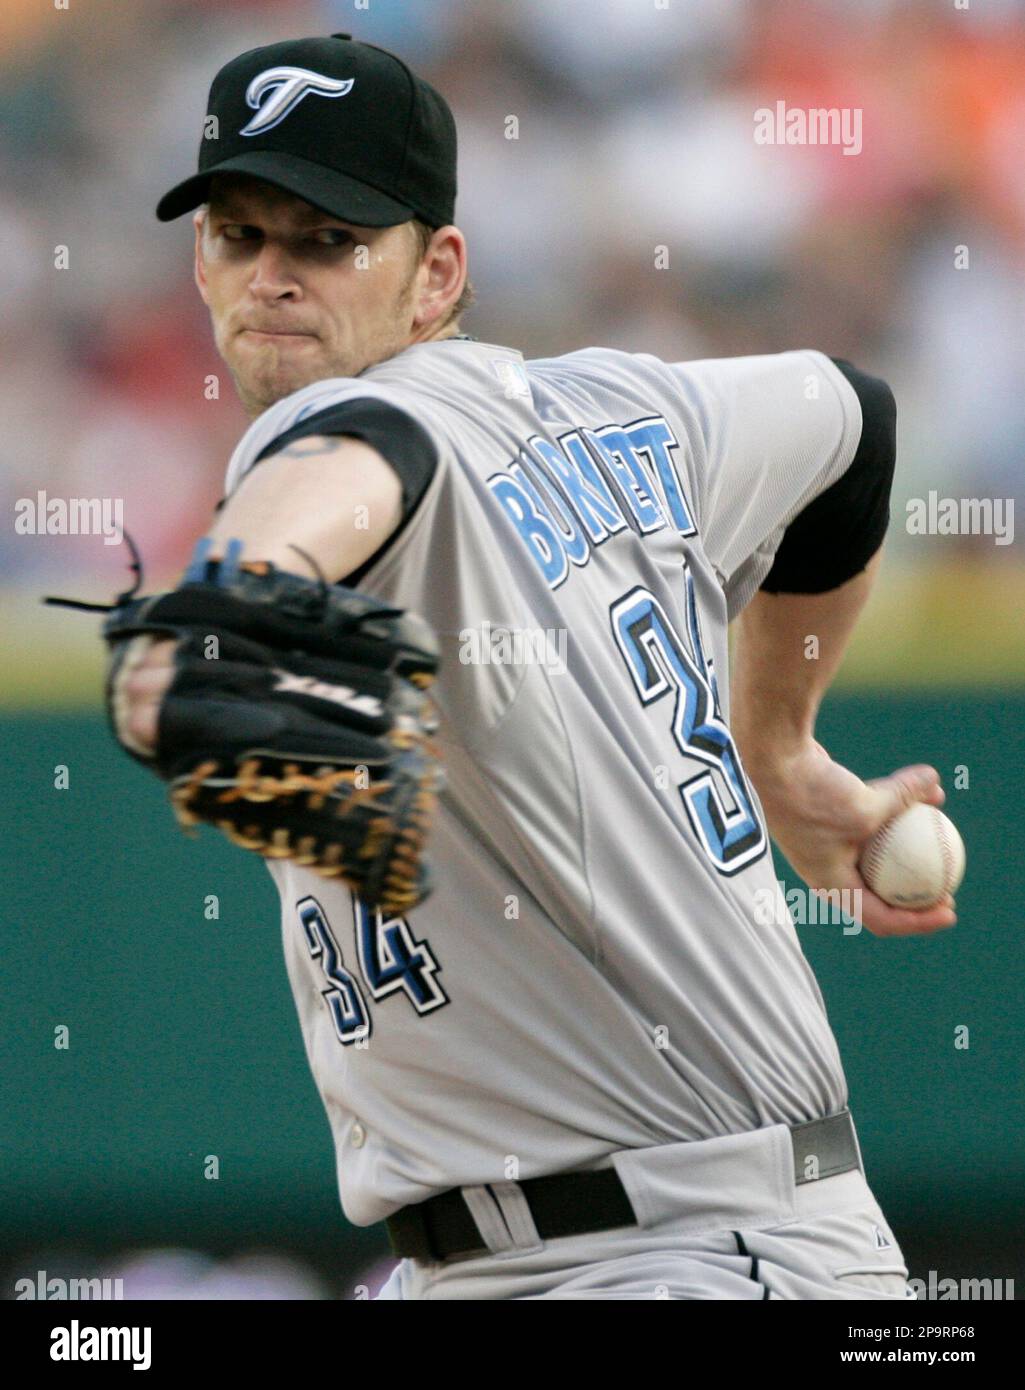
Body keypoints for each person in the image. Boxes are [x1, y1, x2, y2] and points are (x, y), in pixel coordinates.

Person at [115, 32, 955, 1300]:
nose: (275, 277)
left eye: (328, 240)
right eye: (241, 236)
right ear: (200, 256)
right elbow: (851, 424)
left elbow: (335, 482)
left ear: (434, 273)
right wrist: (777, 747)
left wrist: (231, 595)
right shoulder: (634, 410)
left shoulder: (350, 425)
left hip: (682, 1255)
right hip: (567, 1254)